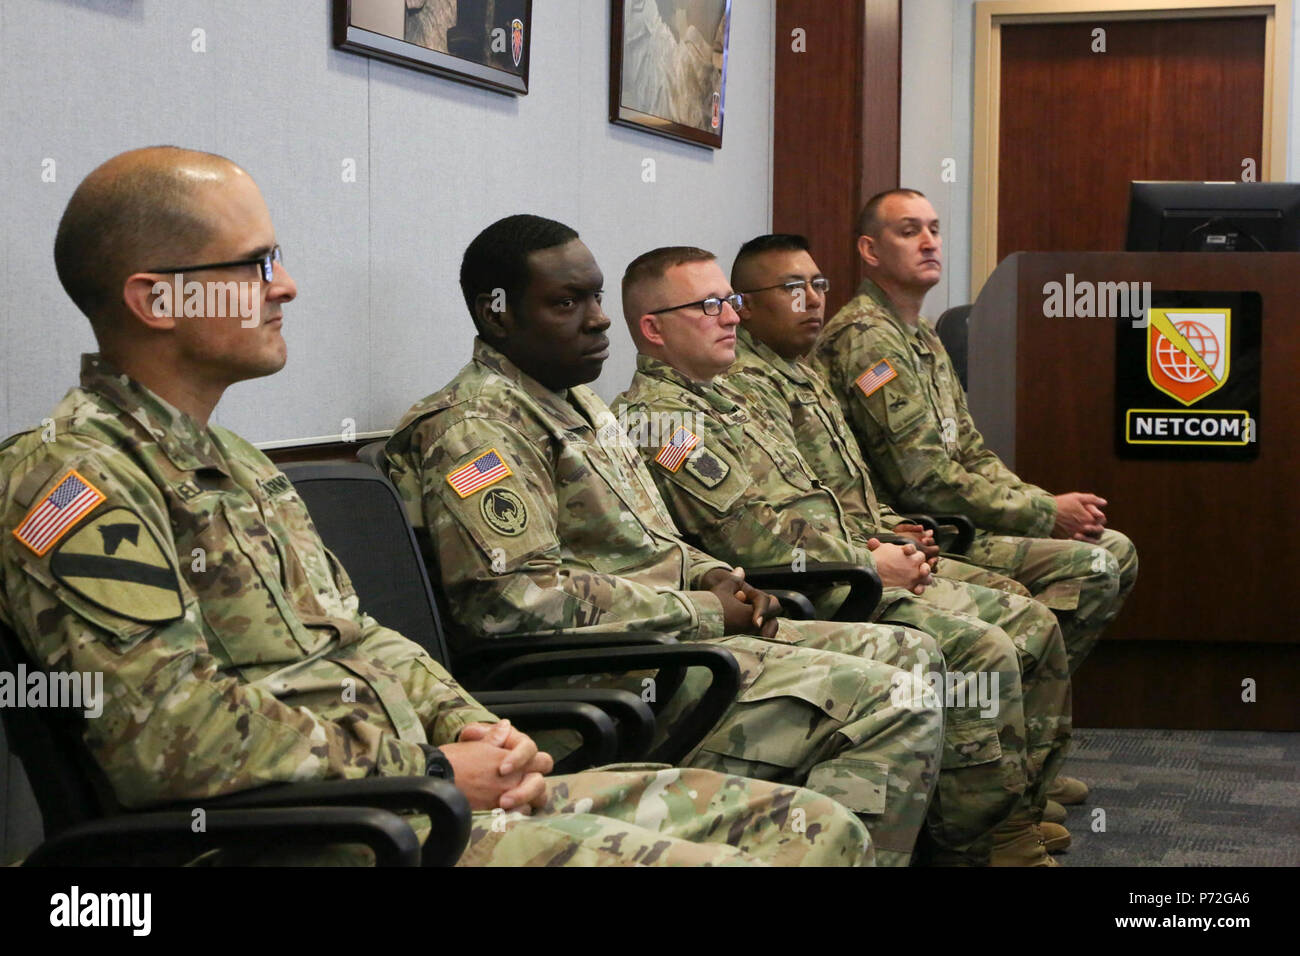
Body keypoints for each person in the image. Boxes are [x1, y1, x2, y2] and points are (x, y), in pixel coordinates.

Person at [0, 147, 874, 867]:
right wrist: (428, 764)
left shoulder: (231, 459)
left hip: (411, 795)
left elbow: (360, 637)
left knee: (820, 832)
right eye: (256, 264)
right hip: (321, 834)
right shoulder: (72, 483)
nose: (287, 286)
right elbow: (169, 739)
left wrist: (480, 729)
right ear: (157, 298)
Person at [385, 213, 946, 866]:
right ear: (498, 313)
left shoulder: (580, 405)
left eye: (595, 297)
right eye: (567, 303)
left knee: (911, 661)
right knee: (890, 699)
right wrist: (705, 608)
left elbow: (653, 540)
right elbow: (513, 603)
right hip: (609, 682)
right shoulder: (473, 427)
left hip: (672, 645)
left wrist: (711, 574)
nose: (598, 319)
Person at [614, 245, 1074, 866]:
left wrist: (875, 544)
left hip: (839, 566)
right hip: (807, 590)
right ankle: (978, 843)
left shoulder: (730, 399)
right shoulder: (662, 422)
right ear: (653, 329)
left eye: (729, 302)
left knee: (1017, 618)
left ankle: (994, 817)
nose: (730, 317)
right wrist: (868, 564)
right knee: (978, 646)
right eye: (710, 305)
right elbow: (753, 538)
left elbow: (817, 501)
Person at [814, 190, 1140, 808]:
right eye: (910, 231)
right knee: (1095, 565)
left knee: (1108, 549)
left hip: (960, 514)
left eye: (935, 229)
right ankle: (1002, 776)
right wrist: (1046, 514)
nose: (931, 241)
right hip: (923, 530)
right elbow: (923, 480)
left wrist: (1046, 503)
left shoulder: (924, 337)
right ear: (869, 250)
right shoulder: (867, 340)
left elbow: (971, 451)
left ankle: (1022, 760)